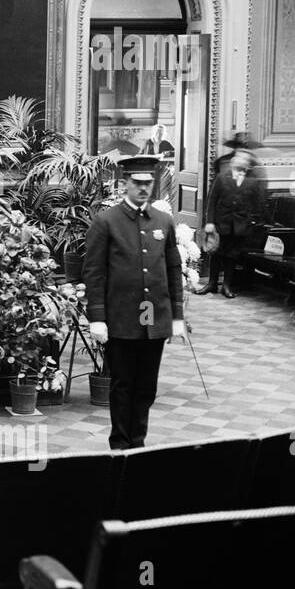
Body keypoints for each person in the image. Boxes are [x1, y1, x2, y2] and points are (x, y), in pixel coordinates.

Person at [82, 155, 186, 451]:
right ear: (124, 183)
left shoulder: (163, 220)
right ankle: (120, 444)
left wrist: (177, 316)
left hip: (154, 319)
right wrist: (97, 317)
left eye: (148, 183)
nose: (143, 189)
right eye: (137, 183)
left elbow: (173, 269)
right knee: (122, 384)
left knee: (146, 387)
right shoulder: (106, 222)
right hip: (121, 318)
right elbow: (95, 272)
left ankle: (137, 442)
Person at [198, 148, 267, 298]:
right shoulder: (222, 178)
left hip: (239, 226)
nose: (239, 160)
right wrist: (210, 221)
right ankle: (211, 283)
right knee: (216, 253)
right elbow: (212, 201)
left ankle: (227, 285)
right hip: (221, 223)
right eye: (238, 158)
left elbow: (258, 204)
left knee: (231, 255)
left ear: (248, 165)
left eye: (244, 159)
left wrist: (252, 221)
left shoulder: (252, 182)